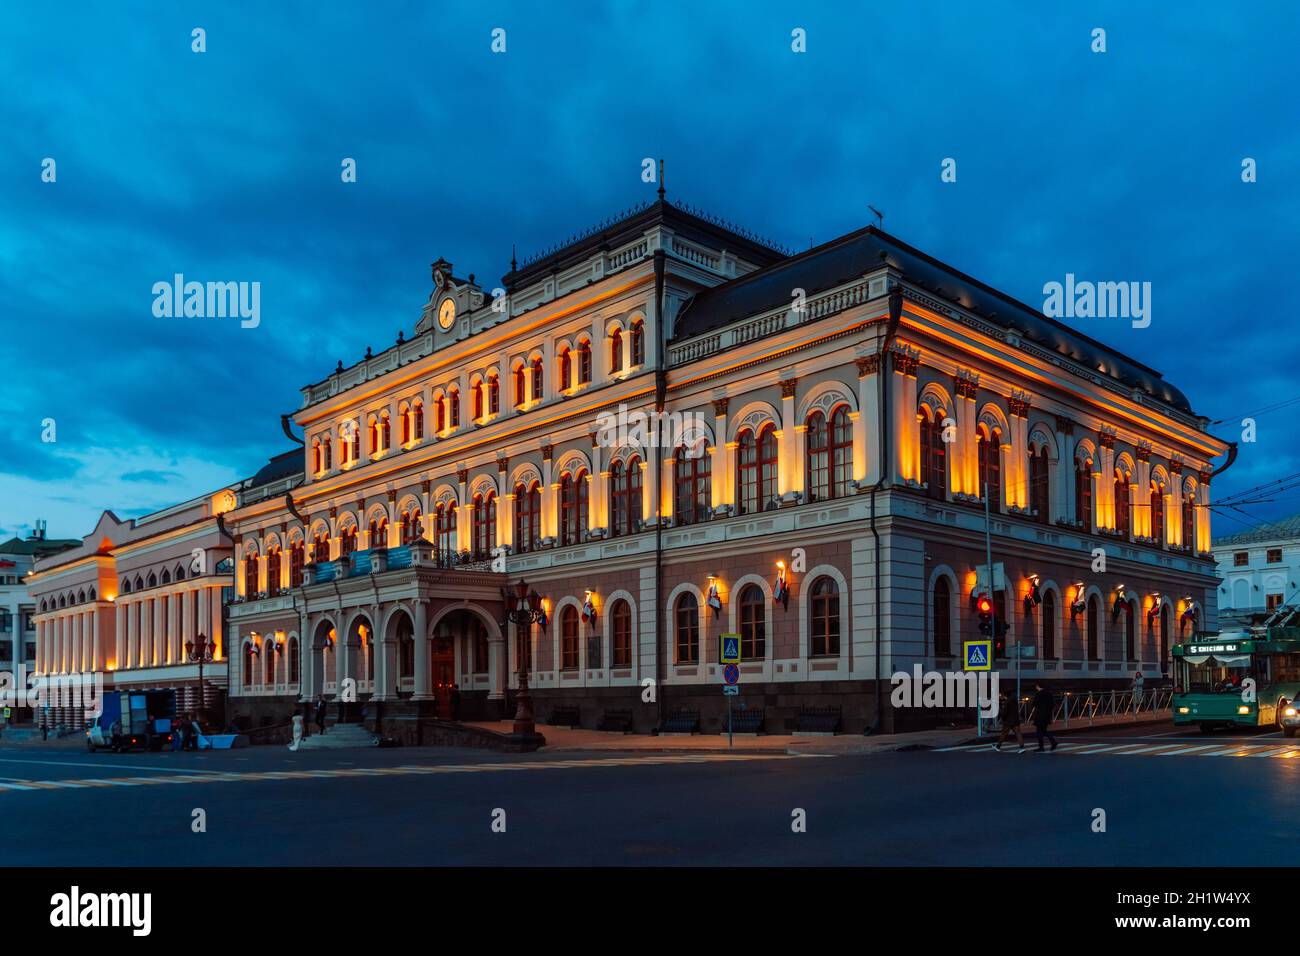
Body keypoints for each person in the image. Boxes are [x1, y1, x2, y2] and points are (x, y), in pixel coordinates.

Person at [992, 688, 1025, 753]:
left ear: (1005, 695)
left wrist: (1001, 711)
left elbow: (1004, 713)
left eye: (1002, 695)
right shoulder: (1014, 700)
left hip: (1008, 721)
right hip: (1015, 719)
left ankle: (998, 746)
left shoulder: (1007, 702)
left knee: (1004, 733)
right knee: (1018, 733)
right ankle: (1022, 747)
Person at [1031, 682, 1058, 752]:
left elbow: (1034, 704)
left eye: (1036, 687)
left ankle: (1042, 746)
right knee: (1044, 730)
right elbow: (1052, 705)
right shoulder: (1049, 693)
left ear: (1038, 686)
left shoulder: (1038, 694)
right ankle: (1053, 742)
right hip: (1047, 715)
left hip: (1040, 715)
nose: (1036, 688)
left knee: (1039, 731)